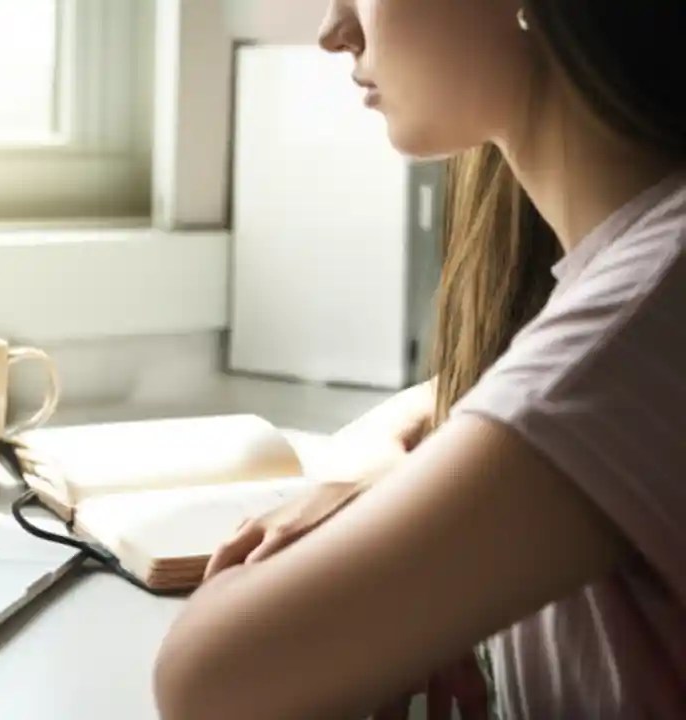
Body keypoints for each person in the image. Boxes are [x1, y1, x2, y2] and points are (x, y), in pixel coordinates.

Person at [153, 0, 686, 718]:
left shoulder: (647, 310)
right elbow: (534, 387)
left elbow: (209, 679)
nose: (333, 31)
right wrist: (412, 464)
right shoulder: (637, 285)